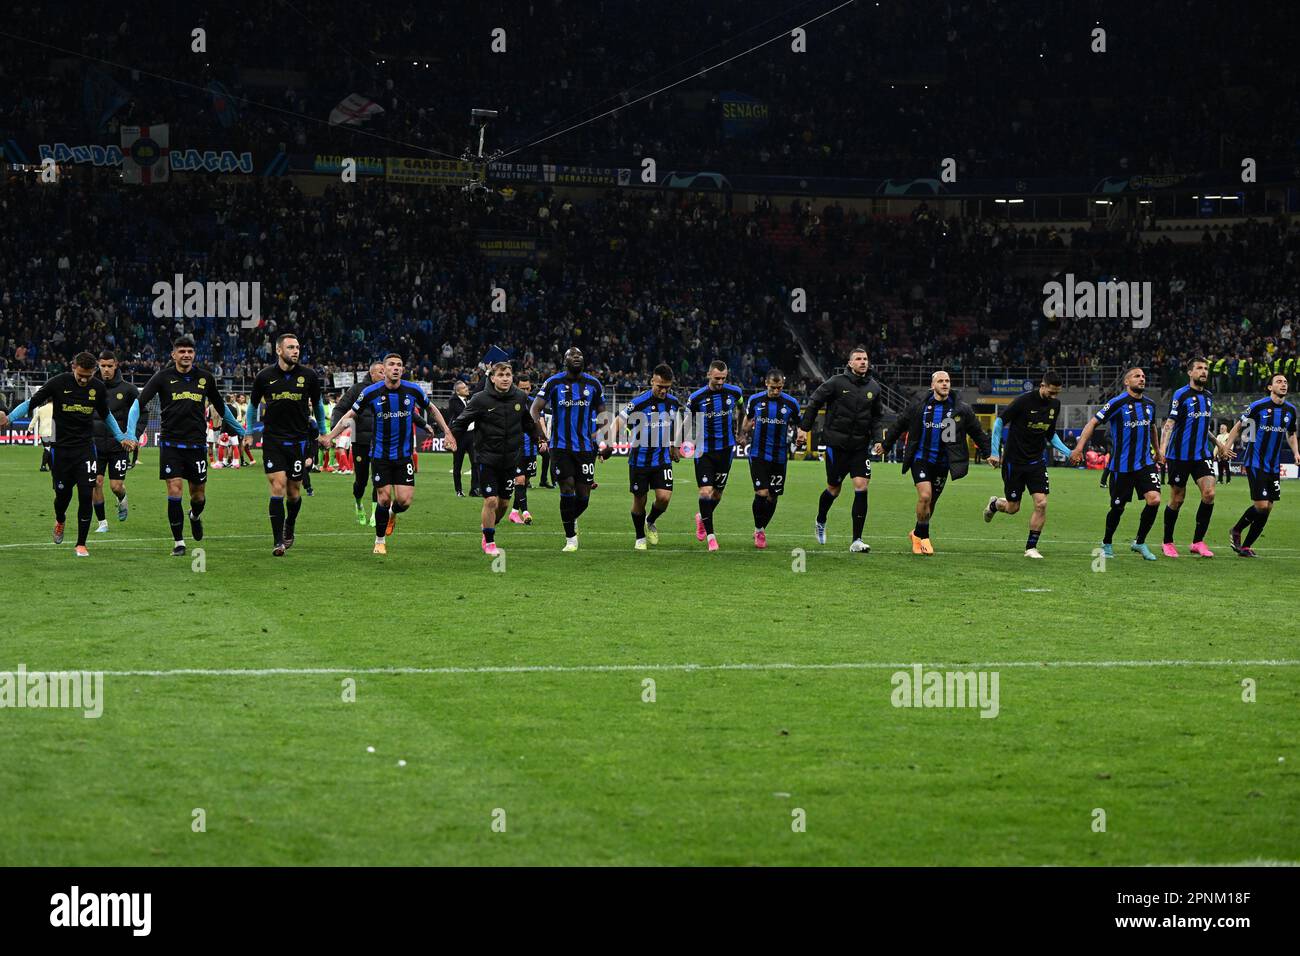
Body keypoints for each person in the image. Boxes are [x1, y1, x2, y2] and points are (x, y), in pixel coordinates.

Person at [323, 353, 456, 555]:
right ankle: (379, 540)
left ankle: (393, 513)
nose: (396, 368)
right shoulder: (370, 392)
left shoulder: (413, 390)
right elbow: (349, 414)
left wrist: (447, 431)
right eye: (391, 364)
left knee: (404, 501)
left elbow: (432, 408)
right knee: (383, 499)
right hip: (380, 455)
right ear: (384, 369)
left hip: (403, 457)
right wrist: (330, 436)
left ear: (403, 369)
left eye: (399, 365)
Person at [129, 336, 247, 556]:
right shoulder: (162, 377)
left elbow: (222, 409)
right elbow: (138, 403)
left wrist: (243, 432)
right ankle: (179, 542)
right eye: (181, 351)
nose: (186, 355)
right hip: (171, 444)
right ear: (173, 354)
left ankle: (194, 516)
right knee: (174, 490)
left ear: (194, 355)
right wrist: (128, 432)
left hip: (196, 445)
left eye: (190, 351)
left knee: (198, 496)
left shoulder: (205, 378)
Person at [879, 370, 990, 555]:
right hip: (921, 459)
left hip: (943, 463)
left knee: (931, 502)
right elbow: (899, 424)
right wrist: (886, 444)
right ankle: (924, 537)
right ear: (933, 386)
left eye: (947, 381)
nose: (945, 384)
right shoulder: (919, 406)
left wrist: (988, 453)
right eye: (940, 381)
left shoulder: (960, 409)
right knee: (925, 496)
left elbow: (977, 431)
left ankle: (916, 533)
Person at [243, 333, 327, 556]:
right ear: (279, 350)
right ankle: (278, 541)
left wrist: (324, 433)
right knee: (278, 486)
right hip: (273, 441)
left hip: (298, 442)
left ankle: (289, 524)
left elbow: (318, 406)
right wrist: (249, 432)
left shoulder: (308, 376)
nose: (296, 351)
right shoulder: (264, 376)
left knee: (293, 492)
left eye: (298, 347)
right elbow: (252, 407)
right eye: (291, 347)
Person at [450, 362, 545, 556]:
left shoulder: (520, 397)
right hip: (487, 459)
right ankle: (489, 540)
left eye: (508, 374)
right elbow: (461, 422)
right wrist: (450, 437)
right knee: (491, 501)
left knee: (503, 504)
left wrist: (539, 440)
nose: (505, 378)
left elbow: (527, 423)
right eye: (501, 375)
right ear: (492, 378)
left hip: (511, 459)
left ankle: (489, 526)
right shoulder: (480, 399)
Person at [1070, 367, 1163, 561]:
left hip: (1145, 462)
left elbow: (1153, 427)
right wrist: (1079, 448)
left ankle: (1139, 542)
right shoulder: (1116, 403)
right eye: (1137, 376)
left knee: (1154, 499)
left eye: (1144, 376)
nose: (1142, 379)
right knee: (1118, 507)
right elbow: (1092, 423)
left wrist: (1158, 451)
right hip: (1122, 466)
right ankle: (1107, 542)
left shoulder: (1150, 405)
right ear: (1126, 382)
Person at [801, 346, 885, 552]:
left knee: (861, 486)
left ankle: (857, 540)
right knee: (834, 489)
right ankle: (821, 520)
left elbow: (876, 418)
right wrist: (804, 428)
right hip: (836, 446)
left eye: (865, 358)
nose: (863, 362)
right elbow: (814, 402)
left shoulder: (874, 387)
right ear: (850, 363)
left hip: (859, 447)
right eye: (858, 359)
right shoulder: (836, 383)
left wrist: (877, 439)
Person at [983, 371, 1072, 558]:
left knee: (1041, 503)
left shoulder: (1055, 405)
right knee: (1013, 508)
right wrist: (994, 451)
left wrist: (1069, 452)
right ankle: (994, 504)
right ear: (1042, 386)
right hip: (1013, 462)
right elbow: (1000, 422)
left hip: (1036, 462)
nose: (1053, 396)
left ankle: (1031, 547)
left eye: (1057, 393)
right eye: (1051, 392)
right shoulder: (1023, 401)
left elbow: (1050, 434)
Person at [531, 347, 607, 552]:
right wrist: (540, 435)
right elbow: (534, 409)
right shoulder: (553, 382)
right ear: (564, 360)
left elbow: (603, 415)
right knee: (567, 488)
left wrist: (601, 439)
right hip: (560, 446)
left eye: (580, 355)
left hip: (585, 448)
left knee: (583, 497)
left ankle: (571, 519)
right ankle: (570, 538)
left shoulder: (594, 384)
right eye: (572, 356)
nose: (577, 358)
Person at [1221, 373, 1298, 556]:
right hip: (1255, 462)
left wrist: (1296, 452)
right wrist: (1227, 446)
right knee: (1262, 505)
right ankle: (1236, 530)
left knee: (1268, 508)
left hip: (1273, 465)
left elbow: (1292, 433)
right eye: (1279, 381)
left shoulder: (1290, 410)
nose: (1283, 384)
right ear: (1270, 387)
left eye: (1285, 382)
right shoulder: (1258, 406)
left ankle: (1246, 546)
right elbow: (1240, 426)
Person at [1158, 358, 1224, 557]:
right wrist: (1162, 449)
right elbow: (1170, 423)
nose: (1203, 372)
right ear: (1190, 372)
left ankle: (1198, 542)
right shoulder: (1181, 394)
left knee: (1209, 494)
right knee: (1177, 499)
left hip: (1202, 454)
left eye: (1205, 369)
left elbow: (1203, 427)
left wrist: (1219, 443)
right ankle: (1167, 541)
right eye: (1199, 368)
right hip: (1179, 455)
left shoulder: (1209, 396)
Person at [617, 364, 682, 550]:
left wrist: (674, 445)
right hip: (639, 460)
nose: (663, 390)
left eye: (667, 387)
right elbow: (619, 420)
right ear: (652, 380)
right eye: (660, 386)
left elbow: (676, 425)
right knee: (640, 500)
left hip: (662, 459)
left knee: (664, 498)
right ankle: (639, 537)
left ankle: (650, 520)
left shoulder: (673, 403)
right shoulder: (638, 403)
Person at [739, 368, 803, 549]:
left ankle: (761, 528)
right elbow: (747, 420)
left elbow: (800, 425)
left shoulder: (791, 404)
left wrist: (801, 436)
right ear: (766, 383)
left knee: (773, 497)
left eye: (780, 388)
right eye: (773, 387)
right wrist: (743, 434)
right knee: (762, 493)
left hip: (780, 457)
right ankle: (759, 529)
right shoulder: (755, 400)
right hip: (759, 454)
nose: (776, 391)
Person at [685, 360, 745, 551]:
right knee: (705, 492)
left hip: (726, 450)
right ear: (709, 375)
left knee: (717, 494)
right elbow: (687, 420)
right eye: (717, 378)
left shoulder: (735, 392)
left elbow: (741, 410)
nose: (720, 382)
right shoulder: (696, 398)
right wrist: (684, 441)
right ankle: (711, 537)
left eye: (723, 378)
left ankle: (701, 517)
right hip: (704, 451)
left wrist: (740, 432)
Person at [91, 350, 142, 532]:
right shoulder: (90, 386)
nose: (106, 370)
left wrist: (133, 436)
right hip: (94, 446)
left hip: (118, 446)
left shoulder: (128, 389)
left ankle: (122, 498)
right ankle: (102, 522)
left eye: (109, 366)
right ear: (98, 365)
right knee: (95, 483)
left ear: (116, 365)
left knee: (116, 486)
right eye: (102, 366)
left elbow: (142, 412)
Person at [334, 363, 385, 526]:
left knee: (379, 479)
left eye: (385, 372)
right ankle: (358, 502)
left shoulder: (388, 390)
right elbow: (339, 408)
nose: (384, 375)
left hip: (380, 441)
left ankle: (375, 513)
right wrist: (337, 430)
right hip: (359, 440)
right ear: (371, 374)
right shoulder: (357, 389)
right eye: (380, 372)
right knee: (361, 481)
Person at [508, 370, 539, 525]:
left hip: (532, 448)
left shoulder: (534, 402)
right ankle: (525, 512)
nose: (525, 391)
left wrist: (543, 440)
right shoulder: (511, 402)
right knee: (519, 481)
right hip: (516, 448)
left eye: (527, 388)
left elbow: (539, 422)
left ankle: (514, 512)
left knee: (525, 481)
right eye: (522, 388)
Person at [447, 381, 477, 496]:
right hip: (460, 436)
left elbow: (479, 388)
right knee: (458, 464)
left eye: (466, 387)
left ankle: (474, 489)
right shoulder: (453, 401)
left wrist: (487, 374)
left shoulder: (468, 400)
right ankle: (458, 490)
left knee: (475, 462)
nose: (467, 389)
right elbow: (462, 414)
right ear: (458, 391)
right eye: (464, 388)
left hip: (471, 435)